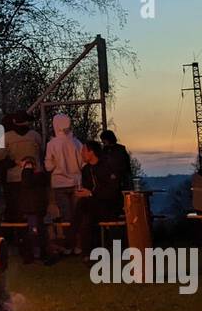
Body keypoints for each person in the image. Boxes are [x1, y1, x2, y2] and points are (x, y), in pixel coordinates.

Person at [73, 141, 124, 256]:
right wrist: (84, 193)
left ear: (91, 152)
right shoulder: (86, 170)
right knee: (84, 213)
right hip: (93, 206)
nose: (81, 154)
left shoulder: (107, 166)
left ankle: (72, 240)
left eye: (83, 151)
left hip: (109, 206)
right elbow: (87, 189)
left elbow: (112, 190)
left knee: (84, 211)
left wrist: (91, 193)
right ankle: (87, 253)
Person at [44, 113, 84, 253]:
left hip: (59, 183)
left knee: (66, 217)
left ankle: (69, 245)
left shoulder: (51, 144)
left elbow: (48, 166)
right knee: (78, 214)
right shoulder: (77, 143)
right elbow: (82, 163)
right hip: (76, 182)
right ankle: (79, 245)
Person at [1, 110, 43, 221]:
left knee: (15, 209)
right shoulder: (35, 135)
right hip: (34, 178)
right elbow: (42, 151)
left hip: (14, 178)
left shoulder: (6, 137)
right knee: (34, 209)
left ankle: (18, 234)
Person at [15, 155, 51, 264]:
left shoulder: (37, 177)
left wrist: (27, 168)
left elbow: (27, 183)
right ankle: (34, 254)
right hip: (31, 210)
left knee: (35, 233)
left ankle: (38, 255)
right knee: (31, 234)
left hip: (34, 210)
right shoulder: (35, 178)